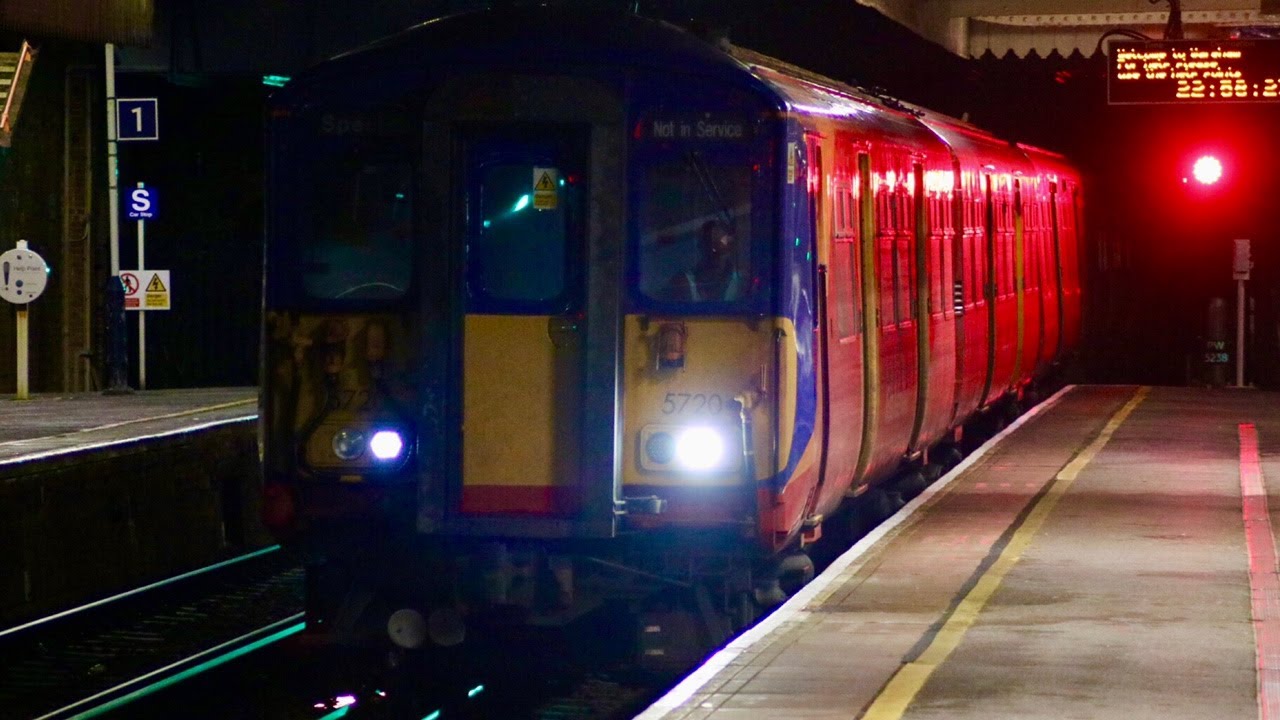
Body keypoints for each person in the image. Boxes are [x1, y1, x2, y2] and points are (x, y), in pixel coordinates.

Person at [667, 220, 743, 302]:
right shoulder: (683, 283)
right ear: (701, 247)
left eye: (719, 247)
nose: (714, 252)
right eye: (709, 244)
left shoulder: (740, 280)